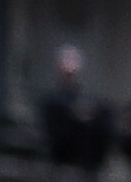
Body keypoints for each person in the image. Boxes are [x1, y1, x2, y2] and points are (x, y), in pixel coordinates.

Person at [41, 45, 115, 174]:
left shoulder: (83, 95)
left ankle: (92, 169)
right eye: (67, 61)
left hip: (85, 149)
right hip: (62, 144)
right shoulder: (52, 99)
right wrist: (74, 112)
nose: (70, 70)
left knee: (101, 120)